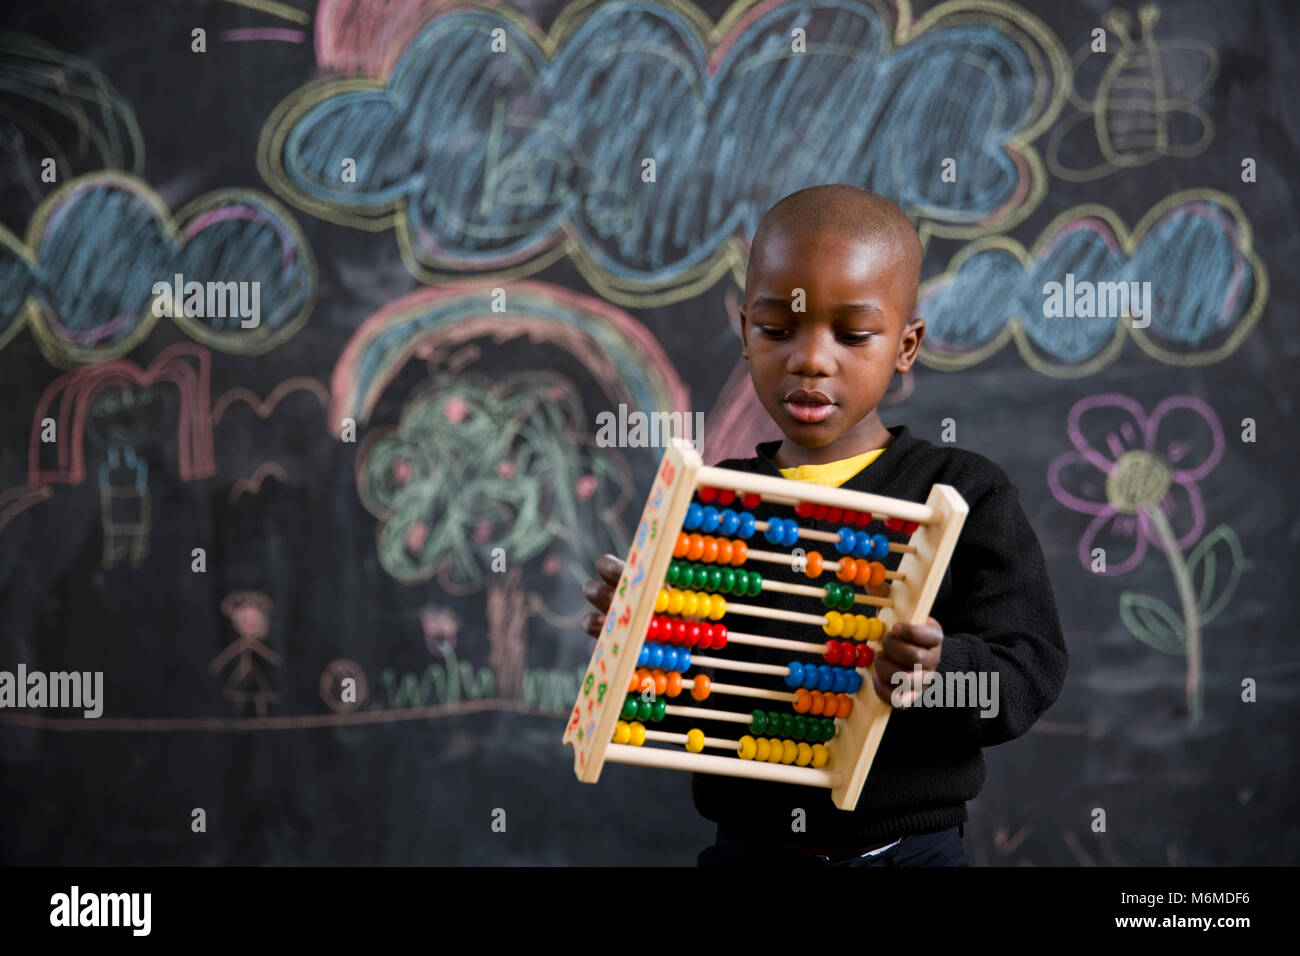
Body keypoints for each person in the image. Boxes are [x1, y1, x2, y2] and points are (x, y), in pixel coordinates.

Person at [582, 184, 1068, 866]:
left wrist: (938, 673)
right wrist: (637, 639)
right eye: (779, 329)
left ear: (906, 345)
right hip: (750, 851)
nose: (812, 359)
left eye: (853, 333)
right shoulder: (717, 506)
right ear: (746, 331)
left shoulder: (963, 494)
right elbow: (697, 695)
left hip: (910, 853)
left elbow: (1028, 674)